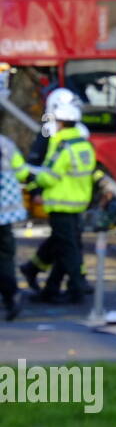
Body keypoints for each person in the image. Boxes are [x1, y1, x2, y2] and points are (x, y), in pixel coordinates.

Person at [29, 98, 103, 304]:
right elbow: (92, 170)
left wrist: (35, 182)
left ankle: (75, 287)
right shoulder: (84, 144)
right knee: (64, 244)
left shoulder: (61, 143)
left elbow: (48, 171)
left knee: (66, 246)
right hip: (78, 202)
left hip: (60, 201)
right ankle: (50, 289)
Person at [0, 133, 30, 319]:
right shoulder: (6, 144)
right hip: (5, 212)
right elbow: (22, 172)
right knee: (5, 257)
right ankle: (11, 296)